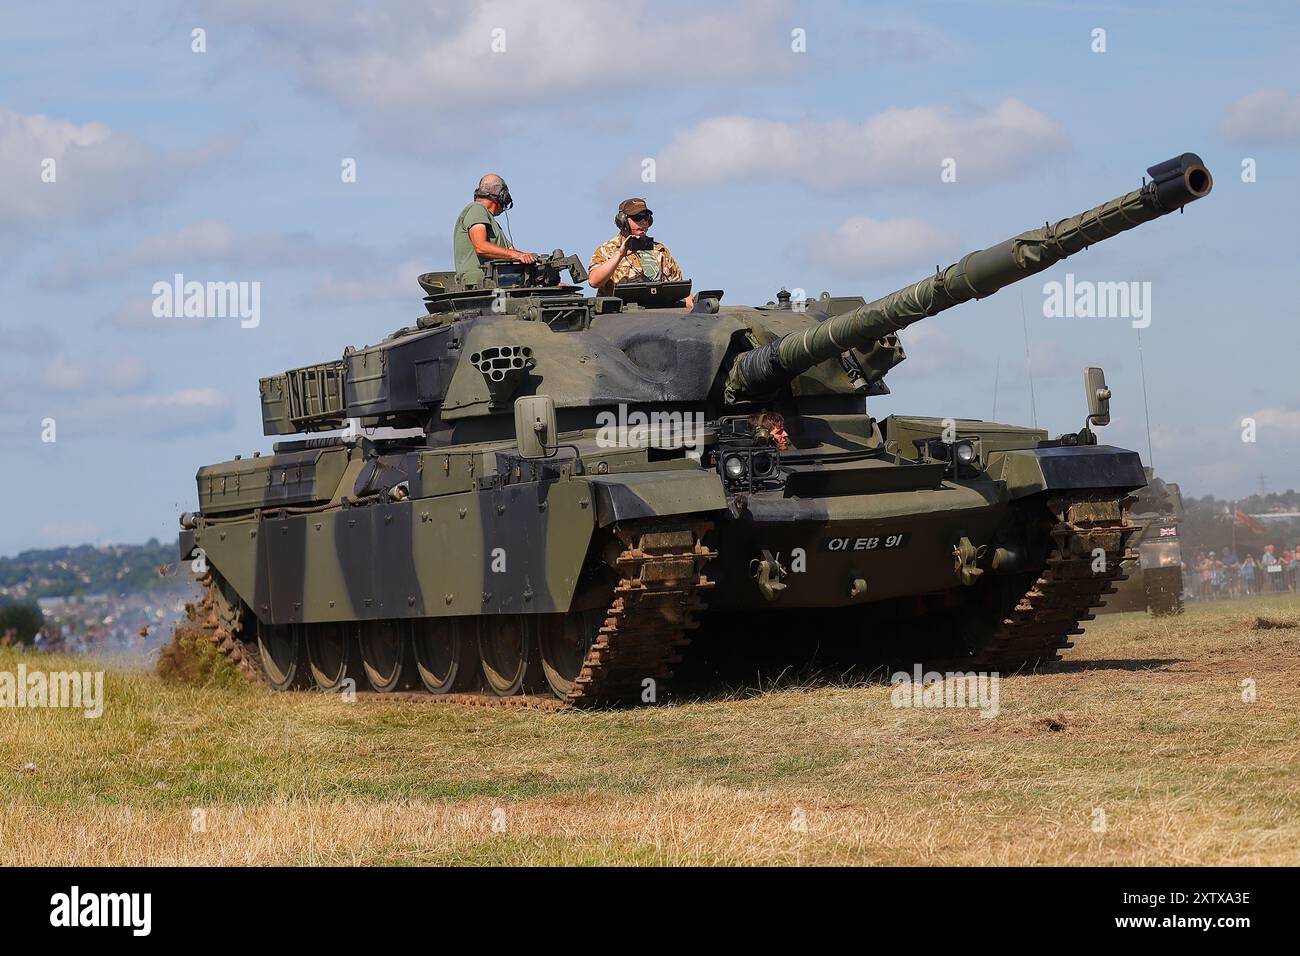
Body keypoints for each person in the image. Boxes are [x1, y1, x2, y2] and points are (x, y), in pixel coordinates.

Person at [588, 198, 690, 305]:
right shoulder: (608, 249)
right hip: (618, 317)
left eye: (646, 218)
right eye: (637, 218)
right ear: (622, 221)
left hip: (658, 316)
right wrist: (620, 255)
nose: (643, 222)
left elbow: (679, 290)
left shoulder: (660, 250)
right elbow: (594, 281)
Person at [453, 173, 536, 287]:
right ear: (502, 196)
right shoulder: (476, 209)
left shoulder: (492, 223)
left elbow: (512, 252)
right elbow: (480, 247)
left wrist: (531, 259)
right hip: (480, 285)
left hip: (497, 283)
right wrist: (517, 255)